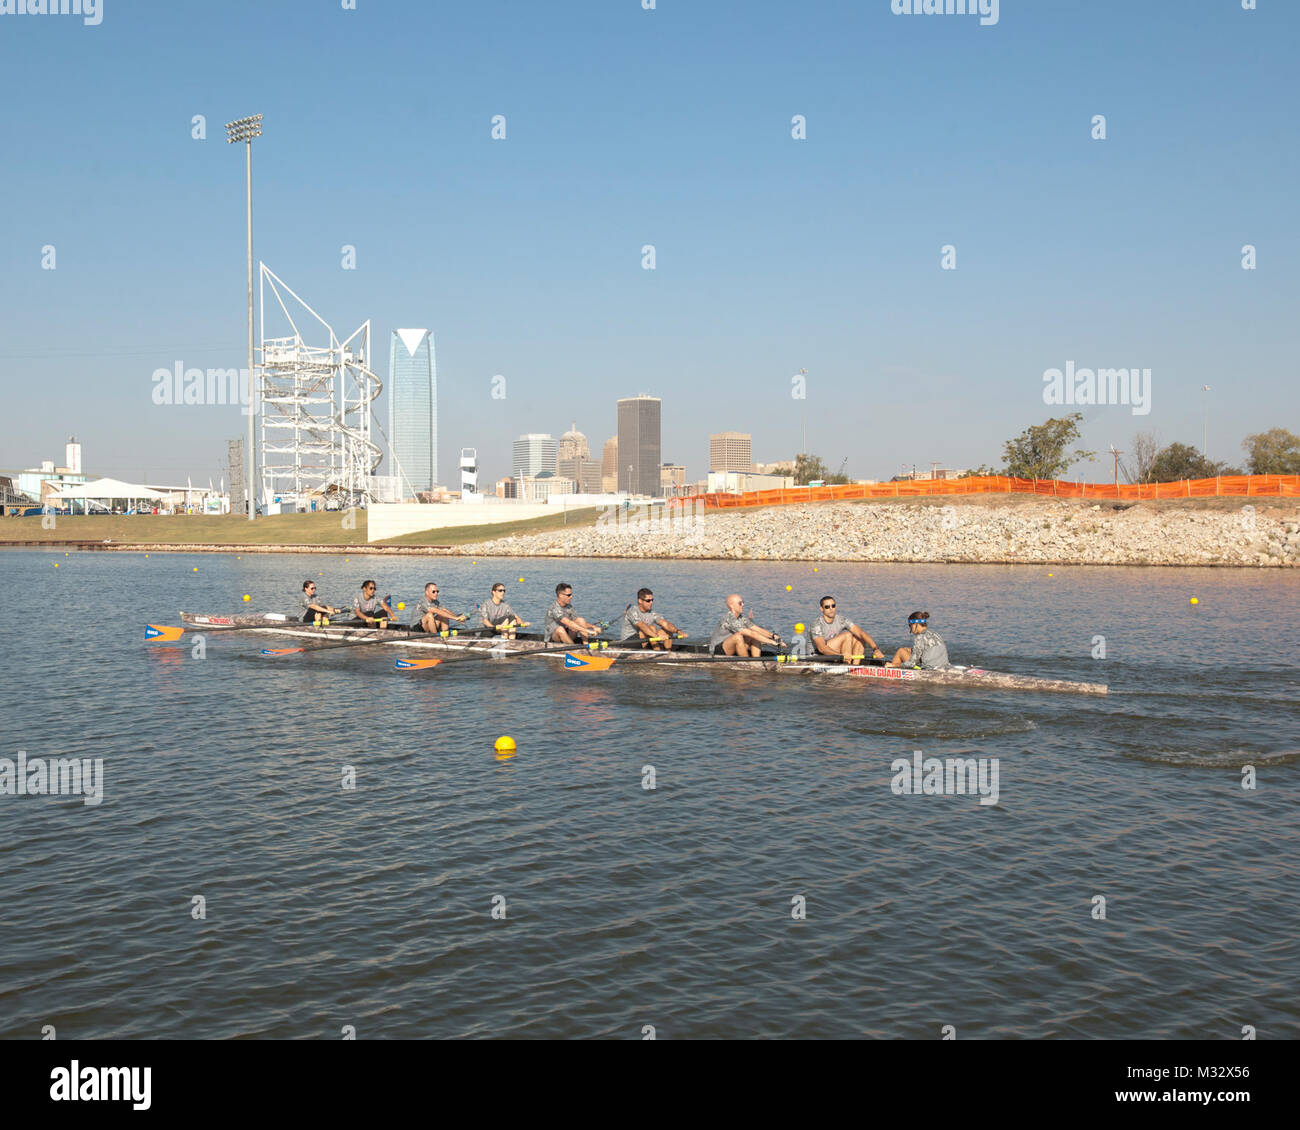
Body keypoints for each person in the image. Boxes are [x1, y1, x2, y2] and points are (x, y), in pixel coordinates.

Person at [809, 596, 884, 663]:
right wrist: (841, 656)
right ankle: (846, 663)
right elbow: (822, 648)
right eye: (827, 607)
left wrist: (875, 649)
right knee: (847, 635)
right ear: (821, 609)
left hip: (835, 652)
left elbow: (861, 633)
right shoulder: (816, 624)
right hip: (818, 655)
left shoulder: (841, 620)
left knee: (859, 638)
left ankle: (855, 666)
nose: (831, 609)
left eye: (833, 606)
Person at [708, 594, 782, 657]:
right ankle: (747, 663)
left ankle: (757, 662)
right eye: (740, 603)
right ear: (732, 606)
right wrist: (771, 642)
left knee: (755, 637)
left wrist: (773, 636)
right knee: (738, 636)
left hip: (732, 647)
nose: (743, 605)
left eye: (743, 602)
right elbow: (751, 633)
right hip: (717, 651)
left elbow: (757, 629)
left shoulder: (742, 618)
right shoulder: (729, 618)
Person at [618, 588, 685, 650]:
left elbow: (665, 623)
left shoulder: (652, 613)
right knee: (651, 628)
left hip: (644, 640)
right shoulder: (632, 611)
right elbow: (642, 626)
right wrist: (657, 637)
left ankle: (668, 653)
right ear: (640, 601)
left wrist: (677, 631)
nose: (651, 603)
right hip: (628, 643)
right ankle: (657, 653)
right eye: (648, 601)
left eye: (652, 600)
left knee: (667, 630)